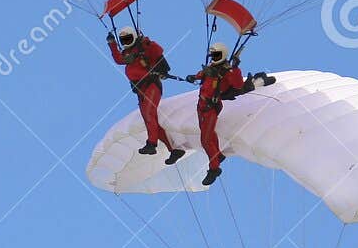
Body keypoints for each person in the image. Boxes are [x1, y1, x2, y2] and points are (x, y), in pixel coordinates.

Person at [187, 43, 273, 186]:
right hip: (201, 105)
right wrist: (193, 77)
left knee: (205, 140)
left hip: (211, 107)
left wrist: (235, 68)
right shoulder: (211, 68)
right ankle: (218, 155)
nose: (214, 58)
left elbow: (238, 85)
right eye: (213, 55)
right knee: (207, 133)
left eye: (217, 55)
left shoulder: (228, 71)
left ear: (223, 55)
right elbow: (202, 74)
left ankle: (214, 169)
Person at [107, 26, 185, 163]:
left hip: (152, 85)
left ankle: (151, 144)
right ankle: (174, 150)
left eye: (128, 39)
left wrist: (146, 43)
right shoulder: (126, 54)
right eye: (123, 40)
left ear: (135, 37)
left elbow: (158, 53)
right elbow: (118, 60)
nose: (126, 42)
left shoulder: (144, 47)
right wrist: (112, 44)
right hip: (140, 90)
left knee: (149, 114)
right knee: (150, 120)